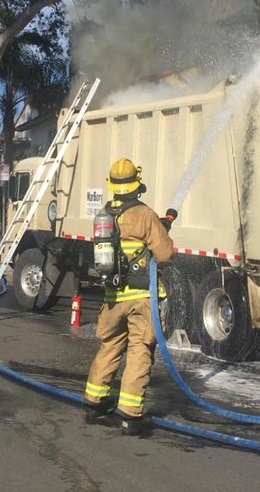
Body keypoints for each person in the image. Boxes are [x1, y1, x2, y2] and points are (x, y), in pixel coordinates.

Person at [82, 158, 173, 436]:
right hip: (140, 298)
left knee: (109, 346)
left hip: (113, 297)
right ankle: (131, 415)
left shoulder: (105, 215)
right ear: (136, 184)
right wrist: (162, 230)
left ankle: (94, 402)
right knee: (139, 350)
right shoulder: (145, 215)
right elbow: (165, 255)